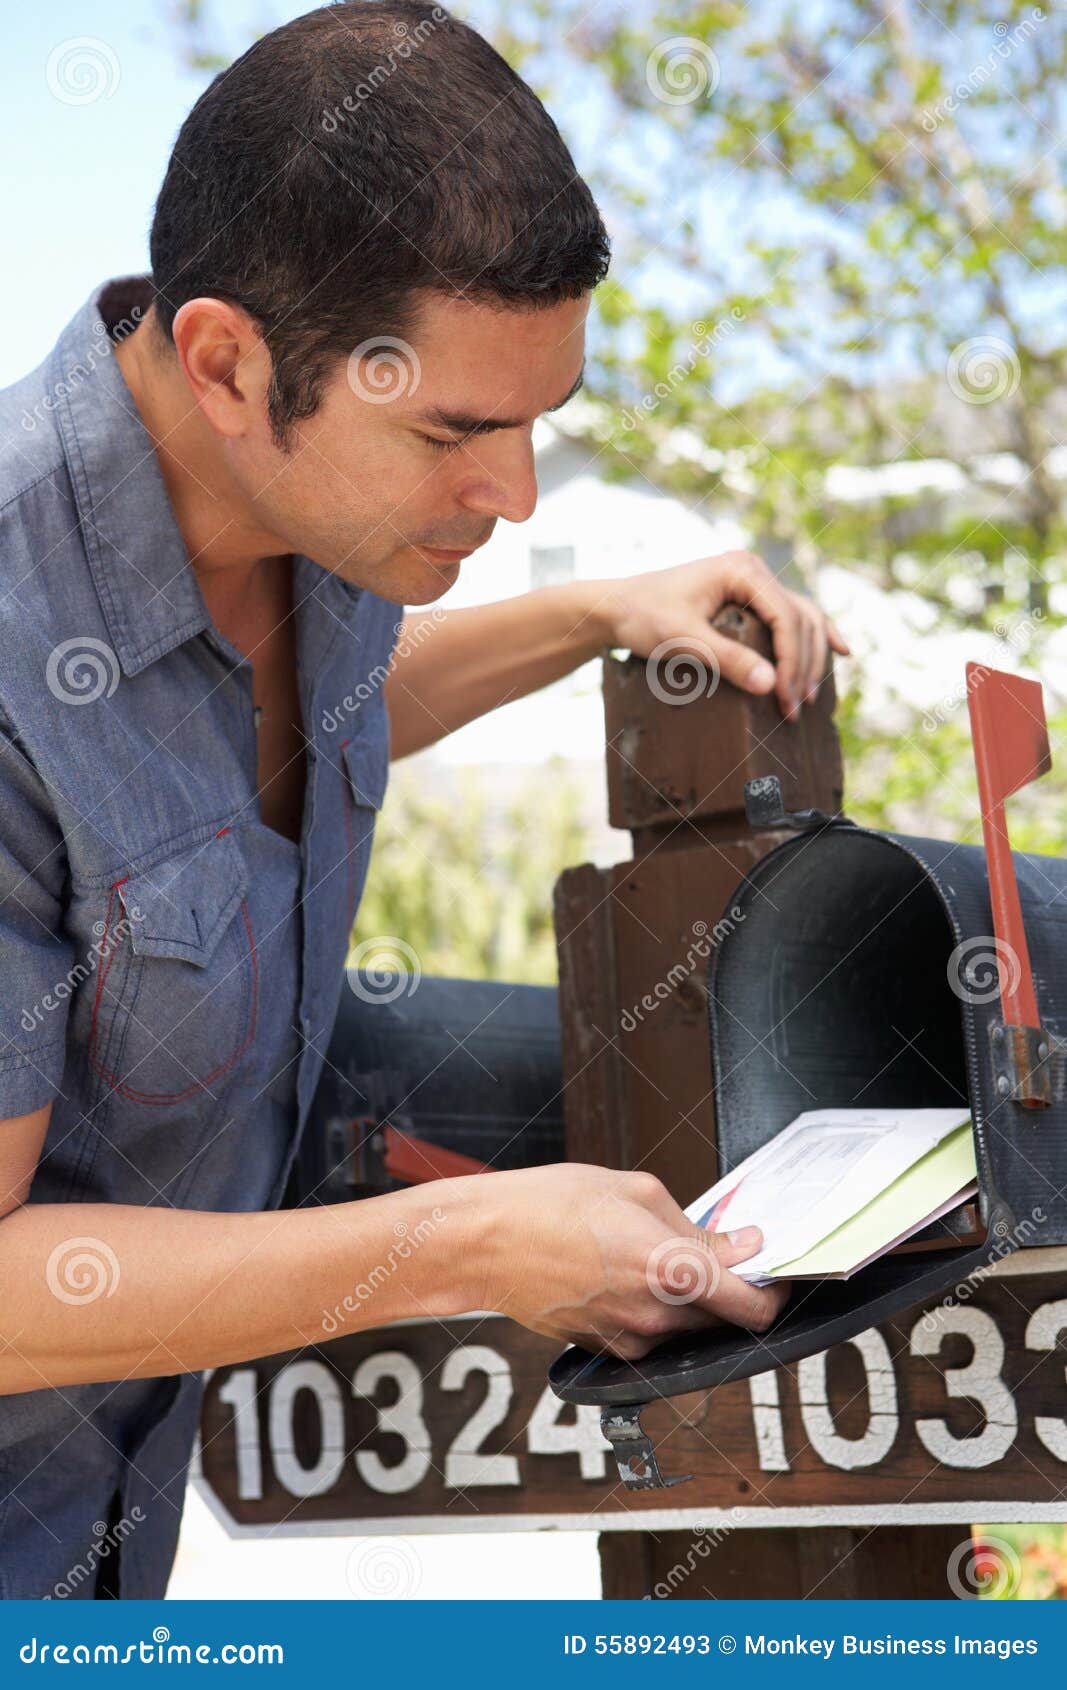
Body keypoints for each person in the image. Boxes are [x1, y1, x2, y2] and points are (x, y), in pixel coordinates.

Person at [0, 1, 846, 1598]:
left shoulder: (312, 522)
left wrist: (597, 610)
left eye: (538, 423)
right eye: (458, 433)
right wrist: (457, 1252)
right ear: (228, 361)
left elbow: (278, 738)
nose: (515, 496)